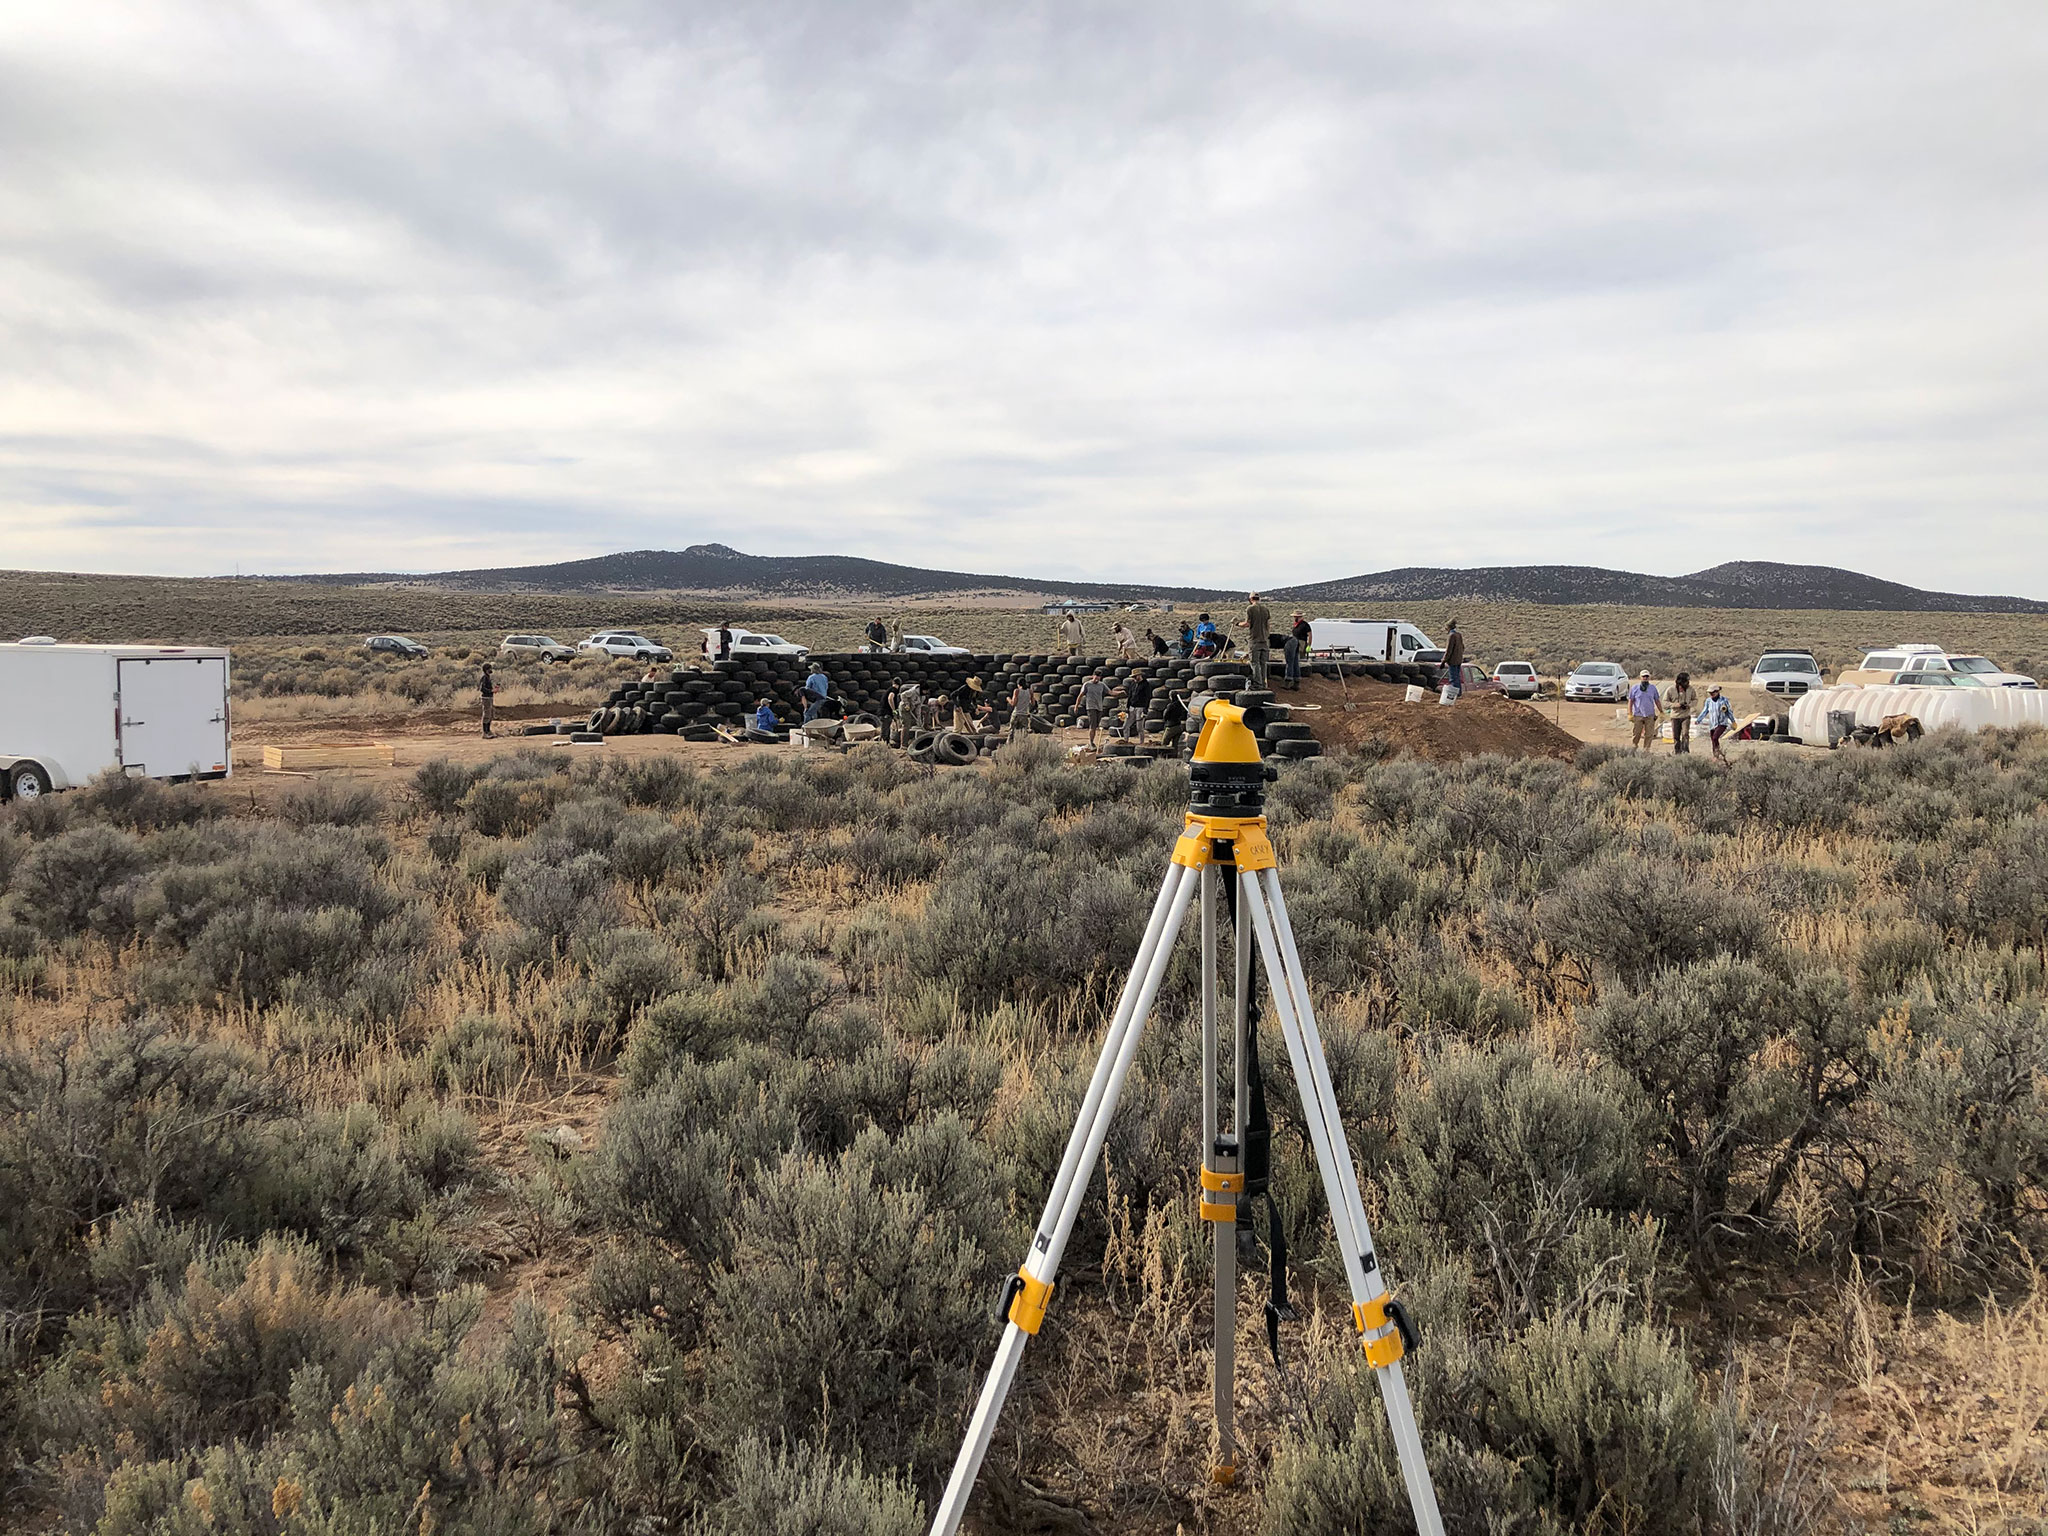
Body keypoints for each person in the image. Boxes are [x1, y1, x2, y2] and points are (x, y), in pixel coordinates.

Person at [1238, 593, 1273, 689]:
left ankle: (1258, 684)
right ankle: (1264, 684)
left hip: (1255, 639)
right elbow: (1268, 624)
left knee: (1254, 662)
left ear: (1250, 599)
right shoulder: (1265, 609)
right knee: (1263, 663)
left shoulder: (1250, 609)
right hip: (1265, 640)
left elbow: (1247, 624)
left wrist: (1237, 623)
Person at [1700, 685, 1736, 762]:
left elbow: (1729, 712)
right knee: (1713, 740)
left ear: (1717, 692)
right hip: (1712, 724)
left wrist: (1733, 721)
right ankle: (1716, 755)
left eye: (1713, 692)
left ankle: (1717, 754)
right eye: (1710, 693)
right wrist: (1699, 719)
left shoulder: (1724, 700)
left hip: (1722, 723)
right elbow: (1705, 711)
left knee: (1715, 737)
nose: (1711, 694)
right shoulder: (1708, 701)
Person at [1627, 670, 1662, 750]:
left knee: (1649, 734)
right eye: (1643, 677)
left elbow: (1657, 700)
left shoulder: (1653, 688)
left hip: (1650, 715)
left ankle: (1646, 750)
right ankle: (1634, 747)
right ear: (1640, 677)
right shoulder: (1634, 688)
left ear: (1649, 677)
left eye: (1647, 677)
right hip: (1638, 714)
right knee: (1636, 733)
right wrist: (1630, 713)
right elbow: (1631, 701)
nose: (1645, 678)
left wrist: (1661, 711)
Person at [1666, 671, 1697, 754]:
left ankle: (1685, 751)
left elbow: (1695, 700)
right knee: (1676, 736)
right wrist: (1676, 705)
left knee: (1685, 734)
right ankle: (1677, 751)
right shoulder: (1670, 689)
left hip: (1686, 716)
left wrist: (1689, 705)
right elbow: (1665, 702)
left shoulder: (1691, 689)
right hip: (1675, 717)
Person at [1079, 668, 1109, 747]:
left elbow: (1110, 692)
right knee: (1092, 726)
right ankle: (1091, 742)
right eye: (1096, 676)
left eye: (1099, 677)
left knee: (1095, 726)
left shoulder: (1102, 685)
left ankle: (1092, 741)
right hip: (1091, 707)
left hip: (1099, 707)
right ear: (1093, 676)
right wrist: (1076, 706)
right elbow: (1080, 695)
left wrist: (1120, 693)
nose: (1097, 678)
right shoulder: (1087, 684)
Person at [1120, 669, 1154, 739]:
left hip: (1140, 708)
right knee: (1125, 726)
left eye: (1135, 677)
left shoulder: (1146, 684)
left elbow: (1148, 697)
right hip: (1132, 708)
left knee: (1139, 728)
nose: (1134, 678)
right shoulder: (1132, 684)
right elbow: (1130, 696)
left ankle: (1141, 743)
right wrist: (1127, 707)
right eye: (1133, 677)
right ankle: (1125, 741)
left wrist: (1145, 709)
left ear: (1139, 676)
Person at [1283, 612, 1310, 691]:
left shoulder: (1304, 625)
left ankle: (1290, 679)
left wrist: (1308, 645)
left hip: (1300, 642)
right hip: (1295, 641)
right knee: (1295, 660)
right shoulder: (1296, 625)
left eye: (1296, 616)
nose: (1295, 618)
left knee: (1292, 660)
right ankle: (1295, 680)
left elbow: (1310, 634)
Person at [478, 662, 496, 738]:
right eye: (490, 669)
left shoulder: (487, 677)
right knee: (486, 715)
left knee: (490, 715)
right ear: (486, 670)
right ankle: (485, 733)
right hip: (486, 698)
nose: (491, 670)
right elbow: (482, 688)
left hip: (489, 698)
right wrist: (490, 691)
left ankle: (488, 731)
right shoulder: (484, 678)